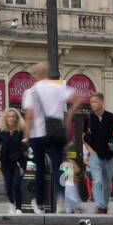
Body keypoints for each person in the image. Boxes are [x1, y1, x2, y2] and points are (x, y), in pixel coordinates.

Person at [21, 63, 86, 214]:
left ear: (36, 75)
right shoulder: (58, 87)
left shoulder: (31, 92)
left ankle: (40, 203)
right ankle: (61, 199)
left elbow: (29, 116)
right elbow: (78, 99)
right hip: (57, 132)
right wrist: (69, 116)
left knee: (40, 169)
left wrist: (26, 137)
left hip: (38, 134)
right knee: (58, 167)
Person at [82, 93, 113, 214]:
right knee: (97, 181)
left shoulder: (111, 117)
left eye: (95, 101)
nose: (92, 104)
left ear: (101, 102)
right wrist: (91, 152)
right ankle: (99, 205)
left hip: (109, 155)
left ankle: (104, 205)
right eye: (91, 102)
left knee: (107, 183)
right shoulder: (88, 118)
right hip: (95, 155)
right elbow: (84, 138)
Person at [0, 108, 28, 214]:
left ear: (17, 118)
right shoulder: (2, 132)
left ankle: (19, 208)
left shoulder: (21, 131)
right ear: (6, 118)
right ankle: (12, 203)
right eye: (9, 116)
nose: (11, 118)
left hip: (19, 162)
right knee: (8, 185)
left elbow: (27, 146)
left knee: (16, 184)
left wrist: (26, 144)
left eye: (13, 116)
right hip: (5, 163)